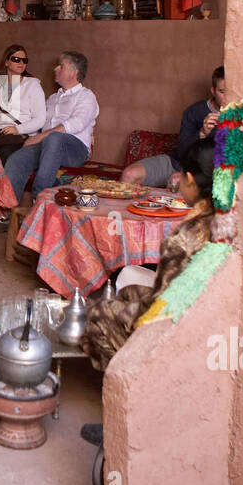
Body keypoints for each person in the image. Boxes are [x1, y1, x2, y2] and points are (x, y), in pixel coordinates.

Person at [83, 137, 216, 371]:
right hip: (203, 313)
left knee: (98, 312)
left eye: (183, 174)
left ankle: (128, 379)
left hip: (175, 330)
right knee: (127, 291)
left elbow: (162, 310)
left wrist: (119, 313)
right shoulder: (219, 218)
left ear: (191, 182)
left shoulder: (185, 238)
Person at [0, 50, 98, 217]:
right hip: (47, 146)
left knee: (54, 138)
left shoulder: (86, 96)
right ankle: (5, 213)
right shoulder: (52, 98)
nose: (55, 69)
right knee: (18, 158)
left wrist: (41, 137)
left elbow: (75, 124)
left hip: (75, 149)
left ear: (74, 72)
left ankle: (39, 203)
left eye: (61, 66)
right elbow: (39, 124)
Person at [120, 65, 226, 189]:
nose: (227, 97)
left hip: (206, 173)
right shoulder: (194, 111)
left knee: (176, 181)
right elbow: (182, 150)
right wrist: (202, 133)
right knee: (128, 175)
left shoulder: (240, 115)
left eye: (231, 91)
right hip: (176, 163)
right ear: (213, 91)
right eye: (222, 92)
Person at [0, 43, 45, 164]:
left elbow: (40, 119)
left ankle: (5, 183)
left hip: (22, 134)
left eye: (24, 60)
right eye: (16, 59)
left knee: (6, 152)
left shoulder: (33, 85)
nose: (21, 63)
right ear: (6, 62)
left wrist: (17, 129)